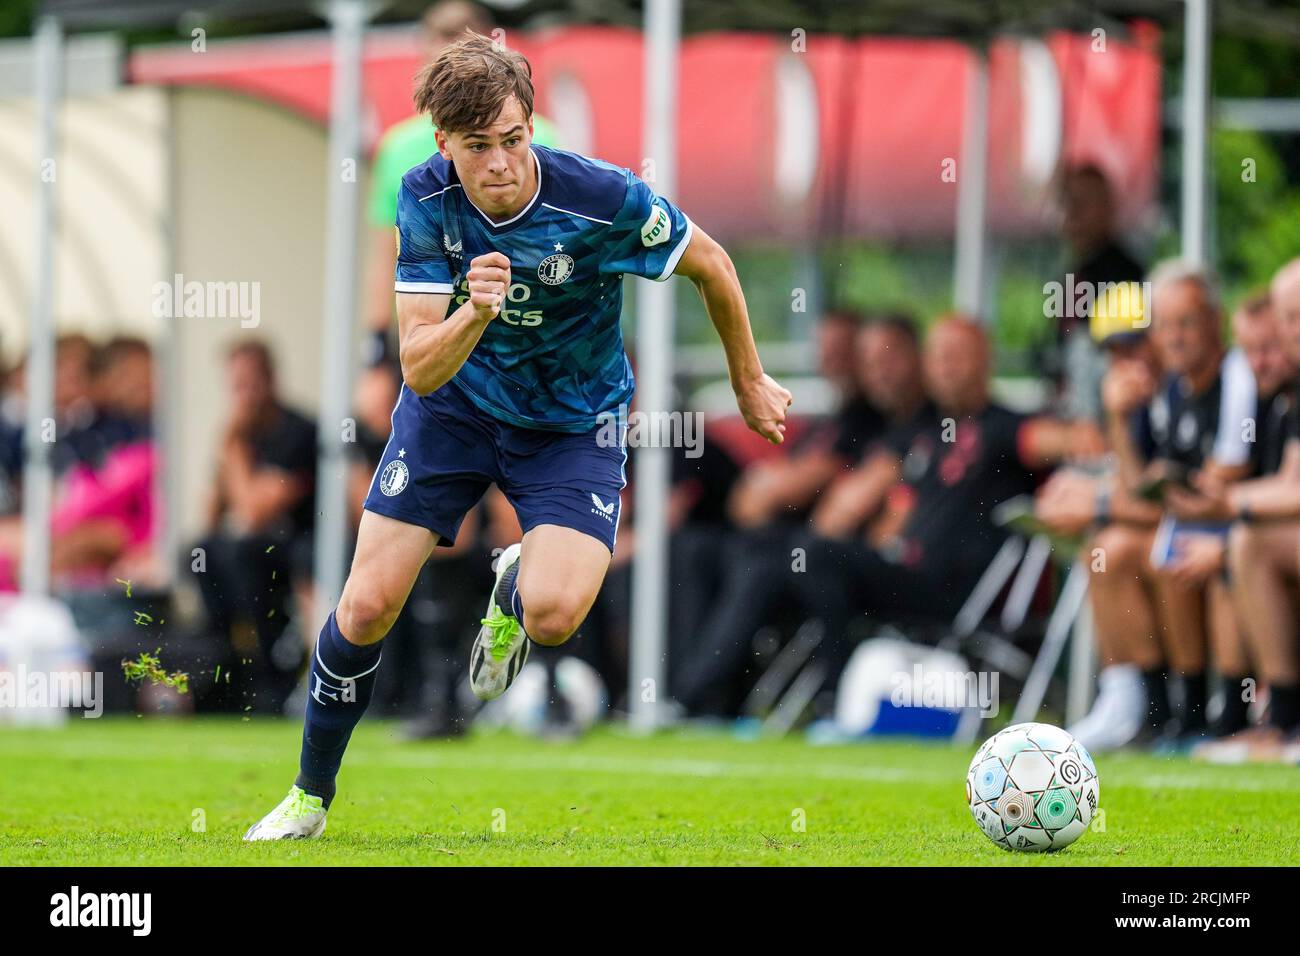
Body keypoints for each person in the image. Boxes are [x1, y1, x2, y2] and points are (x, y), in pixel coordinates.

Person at [245, 31, 791, 839]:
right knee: (363, 608)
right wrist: (476, 310)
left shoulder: (603, 198)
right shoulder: (424, 196)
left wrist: (747, 379)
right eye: (478, 148)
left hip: (571, 425)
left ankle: (513, 588)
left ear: (530, 125)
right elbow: (420, 366)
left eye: (512, 139)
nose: (499, 162)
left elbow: (710, 263)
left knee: (554, 616)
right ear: (443, 145)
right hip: (452, 417)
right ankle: (308, 799)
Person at [363, 1, 559, 365]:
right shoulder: (397, 148)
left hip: (525, 330)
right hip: (431, 326)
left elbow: (573, 240)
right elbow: (384, 254)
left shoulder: (542, 137)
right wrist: (375, 355)